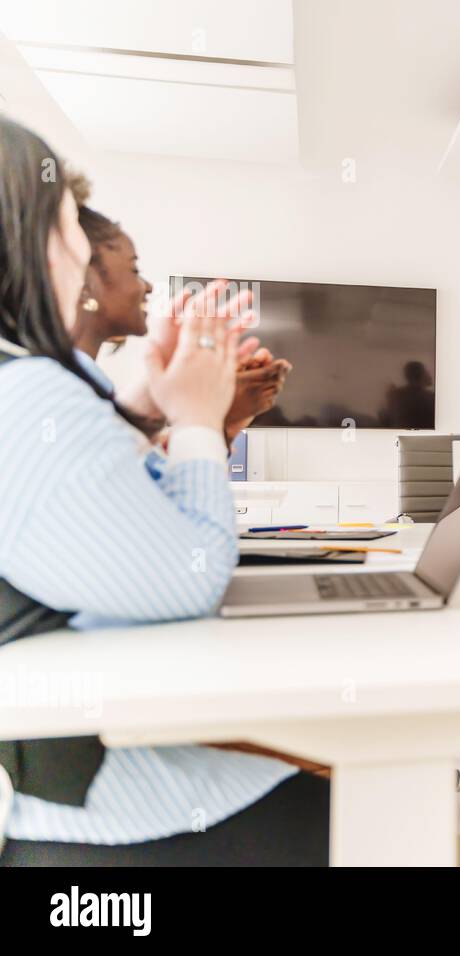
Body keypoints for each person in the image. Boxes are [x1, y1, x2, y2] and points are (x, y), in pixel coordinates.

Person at [0, 117, 326, 865]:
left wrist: (153, 410)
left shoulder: (30, 387)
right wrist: (197, 421)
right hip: (116, 819)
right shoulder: (26, 399)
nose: (81, 248)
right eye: (63, 228)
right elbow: (189, 576)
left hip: (91, 785)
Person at [70, 191, 291, 448]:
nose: (149, 287)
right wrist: (202, 419)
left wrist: (225, 424)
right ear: (85, 284)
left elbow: (138, 468)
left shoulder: (88, 387)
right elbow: (130, 479)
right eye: (134, 269)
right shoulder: (63, 392)